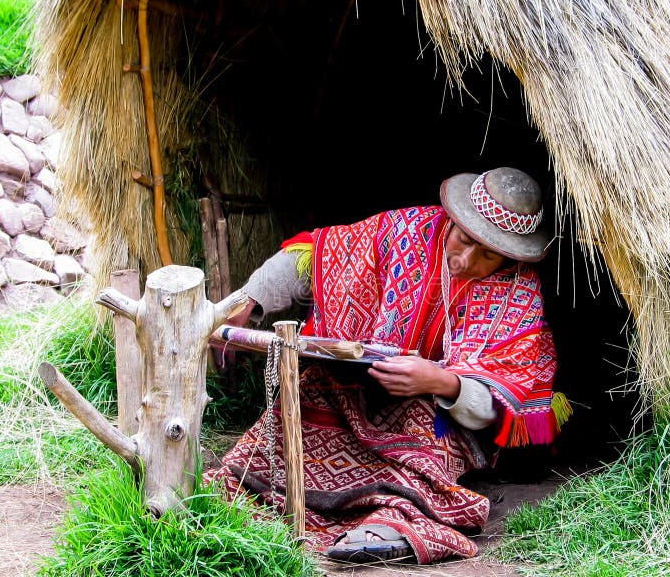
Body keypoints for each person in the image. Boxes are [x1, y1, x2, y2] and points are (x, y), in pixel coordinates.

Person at [203, 167, 571, 565]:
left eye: (488, 255)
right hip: (357, 392)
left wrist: (443, 382)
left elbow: (502, 400)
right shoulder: (405, 231)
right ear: (454, 221)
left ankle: (395, 519)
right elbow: (315, 255)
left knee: (419, 422)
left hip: (439, 417)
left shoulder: (520, 291)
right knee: (311, 392)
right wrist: (250, 299)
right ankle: (250, 486)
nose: (465, 260)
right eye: (463, 240)